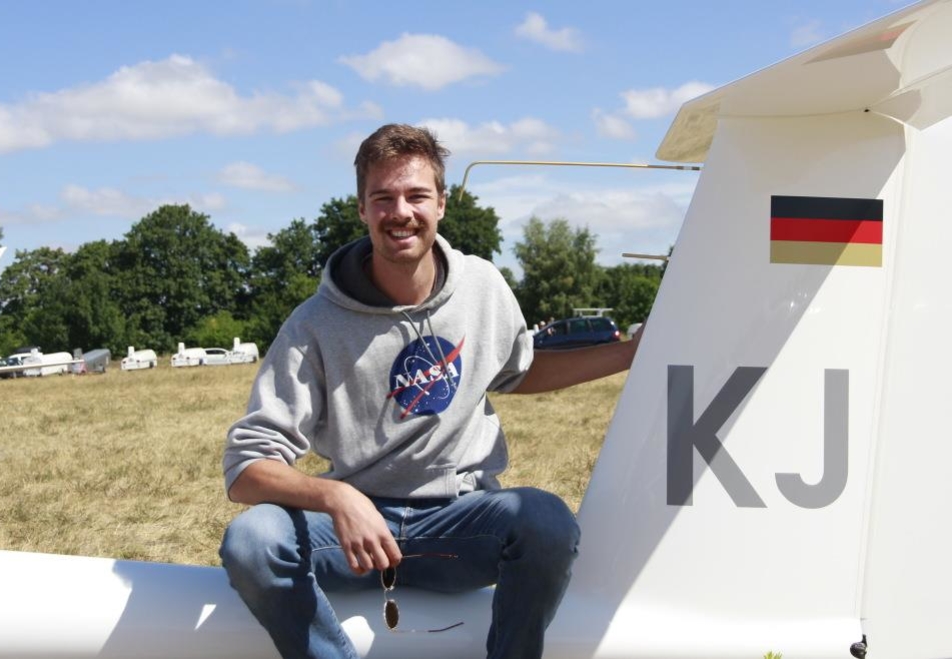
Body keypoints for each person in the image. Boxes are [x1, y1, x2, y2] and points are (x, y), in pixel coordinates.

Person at [220, 123, 641, 659]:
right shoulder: (314, 324)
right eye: (383, 198)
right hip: (355, 534)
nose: (401, 211)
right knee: (252, 542)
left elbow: (520, 370)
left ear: (441, 203)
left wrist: (630, 353)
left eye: (417, 195)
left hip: (461, 524)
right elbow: (246, 468)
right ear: (362, 209)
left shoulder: (482, 286)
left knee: (546, 521)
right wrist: (338, 497)